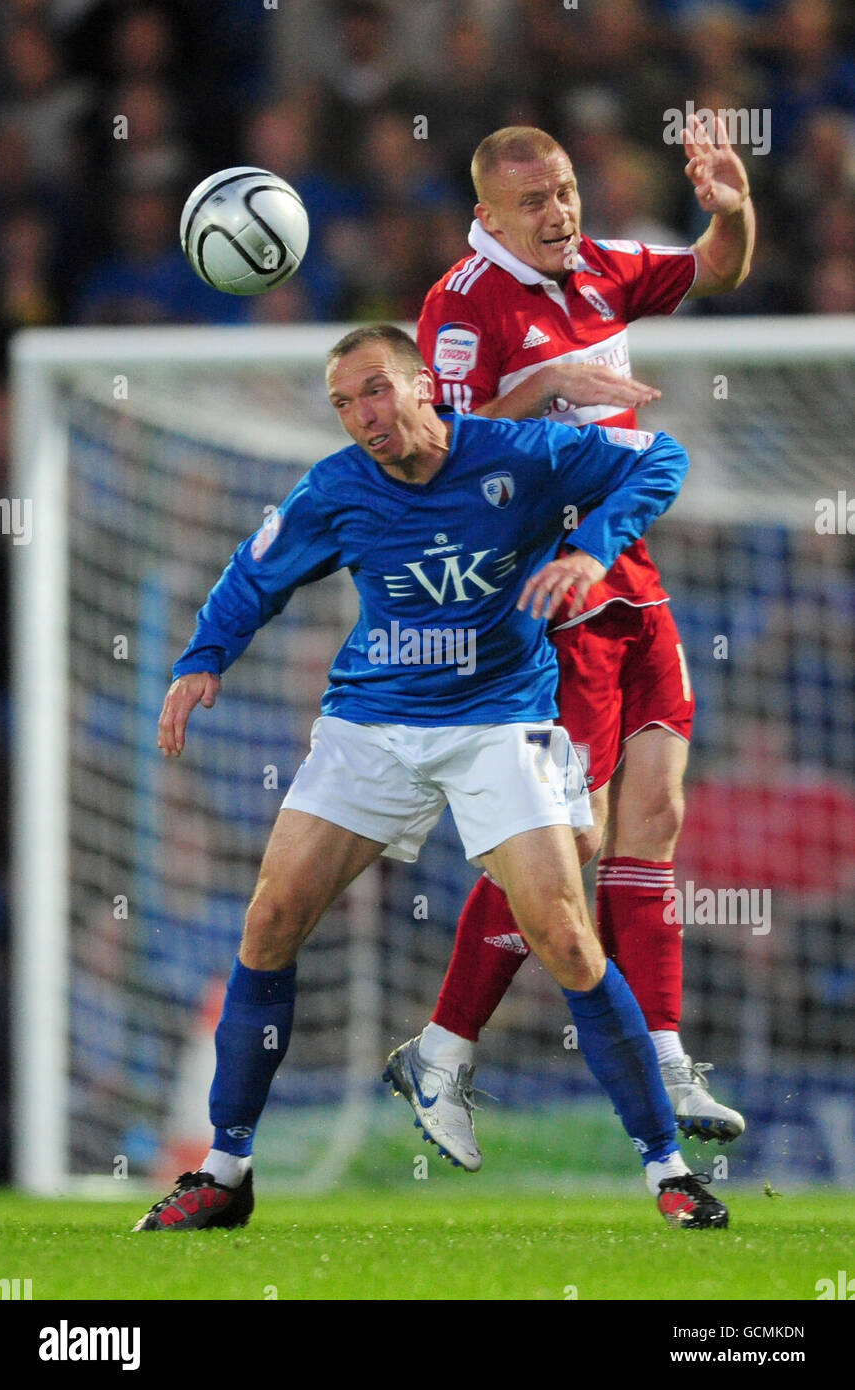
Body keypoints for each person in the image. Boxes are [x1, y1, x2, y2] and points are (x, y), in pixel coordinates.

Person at [134, 324, 726, 1232]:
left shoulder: (521, 451)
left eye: (375, 391)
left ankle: (668, 1170)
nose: (363, 417)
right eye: (343, 403)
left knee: (567, 933)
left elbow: (662, 455)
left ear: (423, 384)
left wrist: (591, 547)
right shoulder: (336, 488)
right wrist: (203, 657)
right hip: (372, 724)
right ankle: (224, 1171)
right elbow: (255, 576)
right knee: (270, 921)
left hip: (501, 722)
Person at [384, 119, 755, 1169]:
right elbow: (443, 457)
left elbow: (715, 269)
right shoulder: (459, 305)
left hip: (624, 569)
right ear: (487, 216)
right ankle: (445, 1048)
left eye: (563, 191)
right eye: (533, 202)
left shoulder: (599, 268)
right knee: (568, 845)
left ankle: (671, 1054)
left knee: (658, 809)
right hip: (545, 598)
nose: (558, 214)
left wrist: (727, 205)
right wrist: (547, 391)